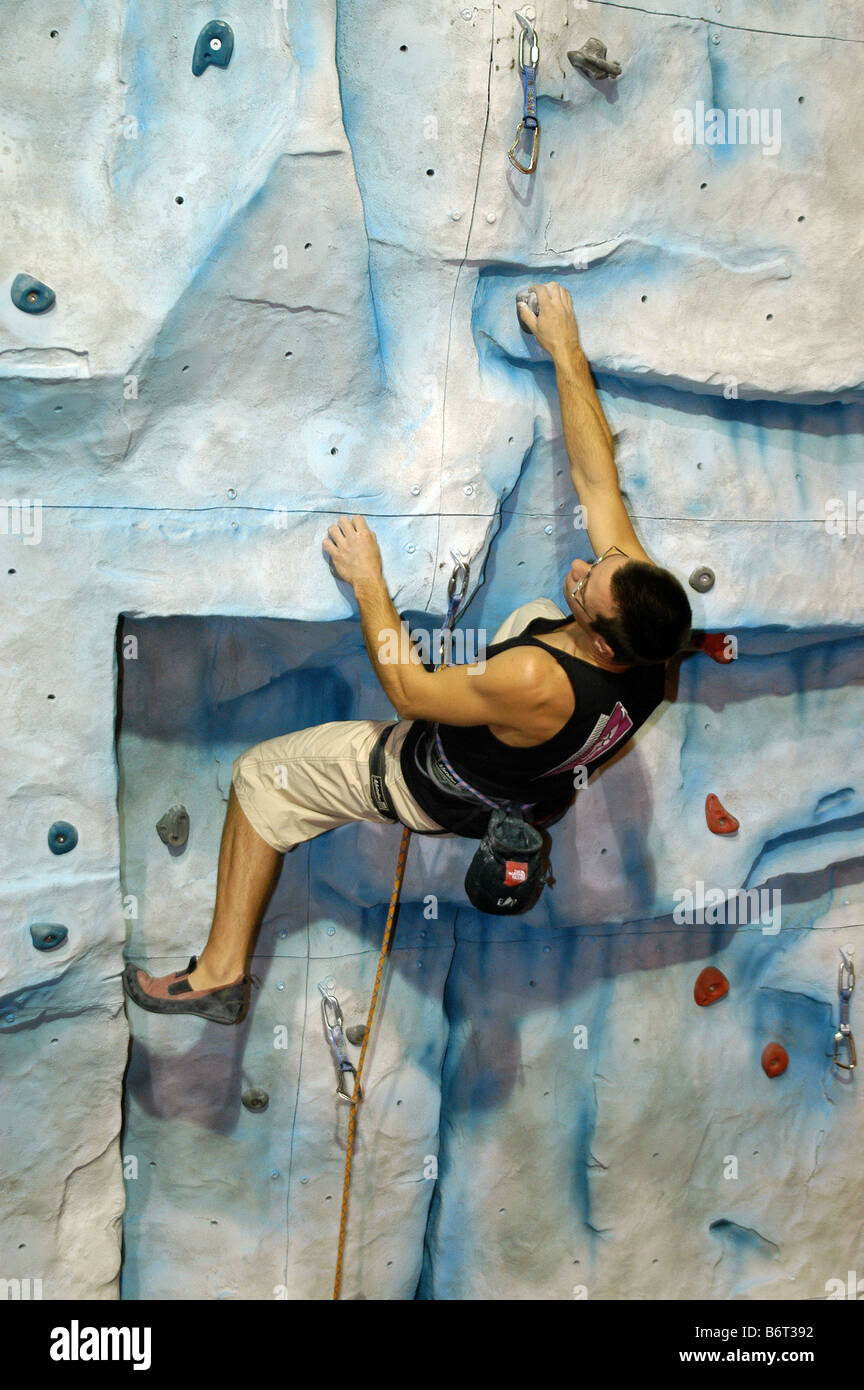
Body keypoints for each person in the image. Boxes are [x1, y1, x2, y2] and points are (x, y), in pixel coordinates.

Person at [123, 283, 691, 1024]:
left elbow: (411, 692)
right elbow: (596, 479)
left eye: (589, 587)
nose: (584, 569)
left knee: (261, 779)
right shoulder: (653, 636)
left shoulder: (536, 679)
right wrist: (564, 346)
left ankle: (221, 974)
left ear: (601, 641)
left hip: (432, 778)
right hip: (532, 780)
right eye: (601, 564)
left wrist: (369, 582)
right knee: (531, 616)